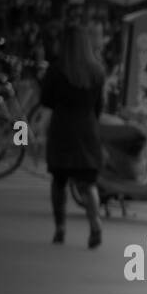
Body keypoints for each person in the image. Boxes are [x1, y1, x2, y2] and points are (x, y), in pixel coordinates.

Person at [40, 22, 105, 248]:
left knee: (59, 182)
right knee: (88, 184)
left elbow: (46, 100)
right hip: (87, 131)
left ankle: (60, 228)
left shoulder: (57, 69)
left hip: (62, 130)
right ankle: (95, 223)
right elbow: (99, 106)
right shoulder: (97, 70)